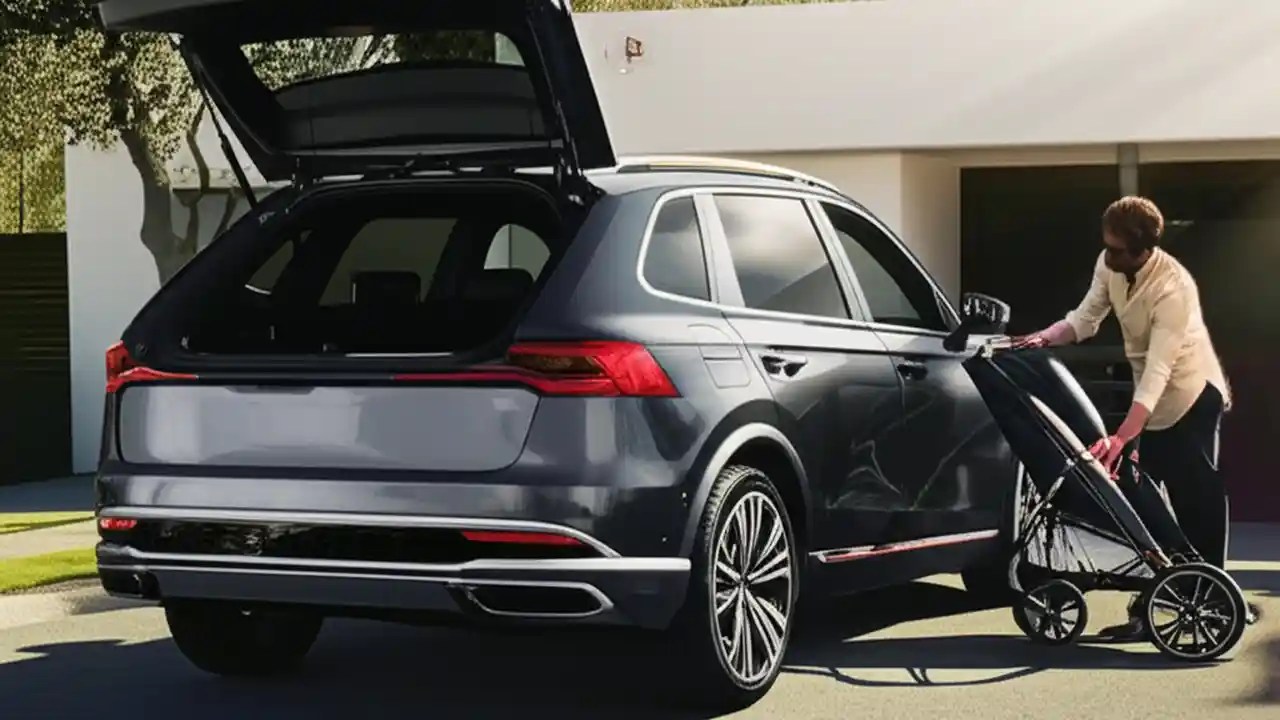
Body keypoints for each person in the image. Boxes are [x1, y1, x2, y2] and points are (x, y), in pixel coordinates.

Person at [1013, 195, 1258, 638]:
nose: (1109, 255)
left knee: (1195, 496)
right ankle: (1165, 594)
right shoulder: (1110, 266)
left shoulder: (1173, 288)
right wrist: (1043, 338)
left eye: (1118, 249)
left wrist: (1122, 437)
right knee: (1145, 500)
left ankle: (1216, 601)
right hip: (1152, 401)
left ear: (1144, 248)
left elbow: (1160, 371)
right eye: (1106, 246)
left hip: (1189, 393)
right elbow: (1086, 318)